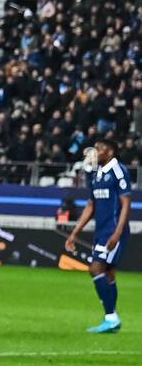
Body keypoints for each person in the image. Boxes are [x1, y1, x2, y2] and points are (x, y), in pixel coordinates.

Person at [65, 137, 132, 333]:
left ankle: (111, 317)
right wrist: (74, 233)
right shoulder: (96, 174)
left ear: (110, 152)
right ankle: (111, 320)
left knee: (95, 268)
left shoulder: (119, 170)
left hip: (113, 231)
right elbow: (91, 205)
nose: (95, 152)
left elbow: (126, 203)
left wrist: (118, 233)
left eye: (99, 148)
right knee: (109, 274)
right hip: (101, 231)